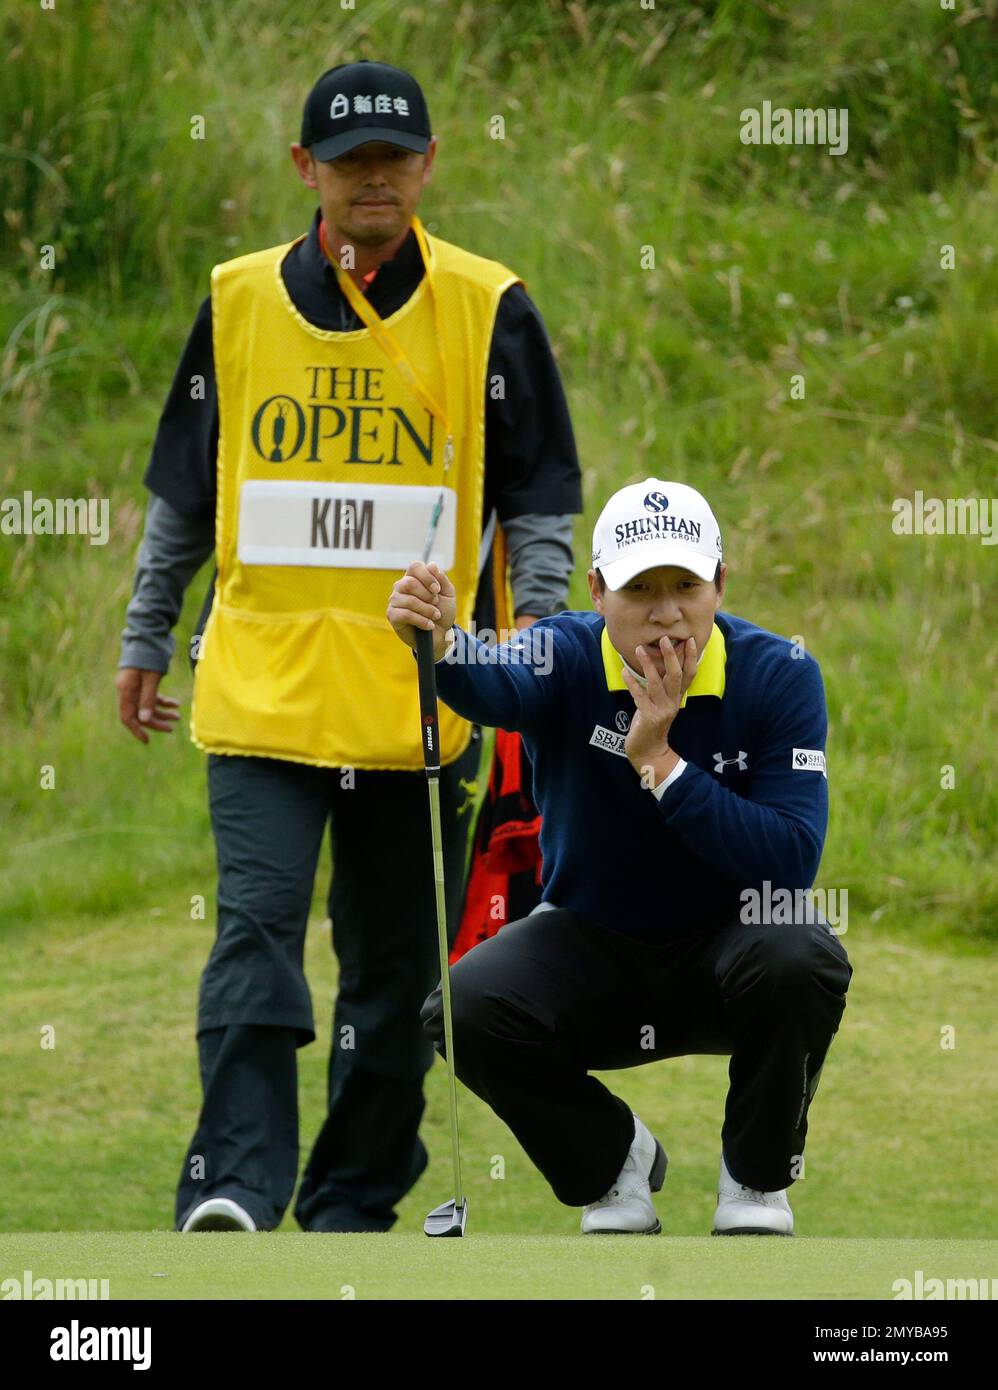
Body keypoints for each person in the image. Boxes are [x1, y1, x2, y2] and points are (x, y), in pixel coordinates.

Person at [115, 59, 582, 1234]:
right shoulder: (234, 300)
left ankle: (351, 1199)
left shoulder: (489, 305)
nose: (371, 177)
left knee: (398, 978)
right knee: (256, 931)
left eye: (392, 156)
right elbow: (186, 493)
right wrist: (145, 637)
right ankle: (231, 1181)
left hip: (424, 703)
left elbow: (536, 502)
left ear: (426, 163)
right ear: (305, 169)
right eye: (346, 158)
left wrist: (533, 651)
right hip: (264, 694)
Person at [387, 478, 853, 1235]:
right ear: (598, 590)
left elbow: (791, 859)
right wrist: (442, 643)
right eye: (640, 587)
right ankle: (614, 1163)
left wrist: (661, 766)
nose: (666, 611)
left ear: (720, 585)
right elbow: (494, 683)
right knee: (464, 1008)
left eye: (685, 585)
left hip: (736, 955)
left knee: (800, 950)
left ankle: (757, 1178)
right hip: (591, 946)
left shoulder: (780, 673)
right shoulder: (563, 651)